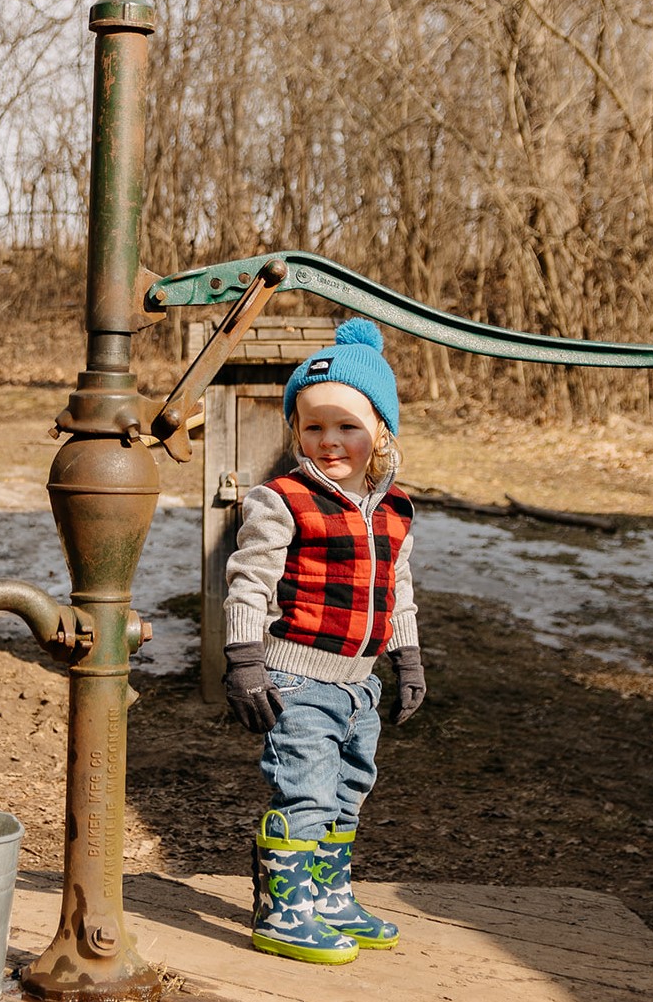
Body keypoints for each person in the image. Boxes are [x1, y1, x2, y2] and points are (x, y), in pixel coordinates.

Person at [223, 316, 426, 965]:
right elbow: (248, 582)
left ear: (381, 431)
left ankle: (328, 896)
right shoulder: (283, 499)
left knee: (348, 790)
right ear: (295, 432)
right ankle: (284, 910)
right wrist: (245, 660)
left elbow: (398, 587)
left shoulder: (395, 511)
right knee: (305, 790)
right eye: (312, 426)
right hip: (296, 678)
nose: (329, 440)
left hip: (360, 684)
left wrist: (408, 656)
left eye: (347, 425)